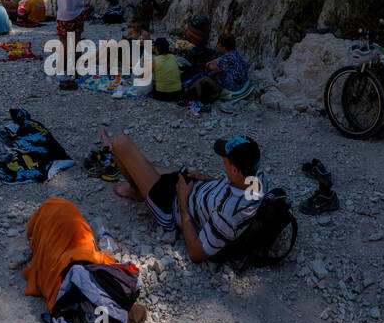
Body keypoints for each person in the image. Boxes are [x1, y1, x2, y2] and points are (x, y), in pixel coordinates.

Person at [102, 130, 267, 264]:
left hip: (171, 207)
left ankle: (135, 190)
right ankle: (122, 162)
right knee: (135, 161)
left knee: (120, 144)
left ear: (235, 171)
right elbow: (229, 187)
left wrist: (182, 199)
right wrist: (205, 178)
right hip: (193, 190)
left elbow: (196, 253)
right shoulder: (256, 176)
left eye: (225, 161)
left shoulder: (229, 214)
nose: (222, 161)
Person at [51, 0, 88, 79]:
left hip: (64, 15)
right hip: (78, 13)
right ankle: (76, 70)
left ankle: (64, 70)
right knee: (77, 42)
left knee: (64, 43)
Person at [205, 33, 253, 99]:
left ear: (223, 47)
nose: (218, 45)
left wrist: (208, 66)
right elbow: (222, 58)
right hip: (242, 81)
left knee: (213, 75)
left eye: (219, 44)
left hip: (234, 87)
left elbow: (214, 69)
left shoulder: (224, 60)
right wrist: (211, 62)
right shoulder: (235, 52)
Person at [151, 37, 184, 101]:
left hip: (162, 95)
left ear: (156, 48)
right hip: (178, 93)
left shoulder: (154, 60)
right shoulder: (173, 57)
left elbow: (143, 76)